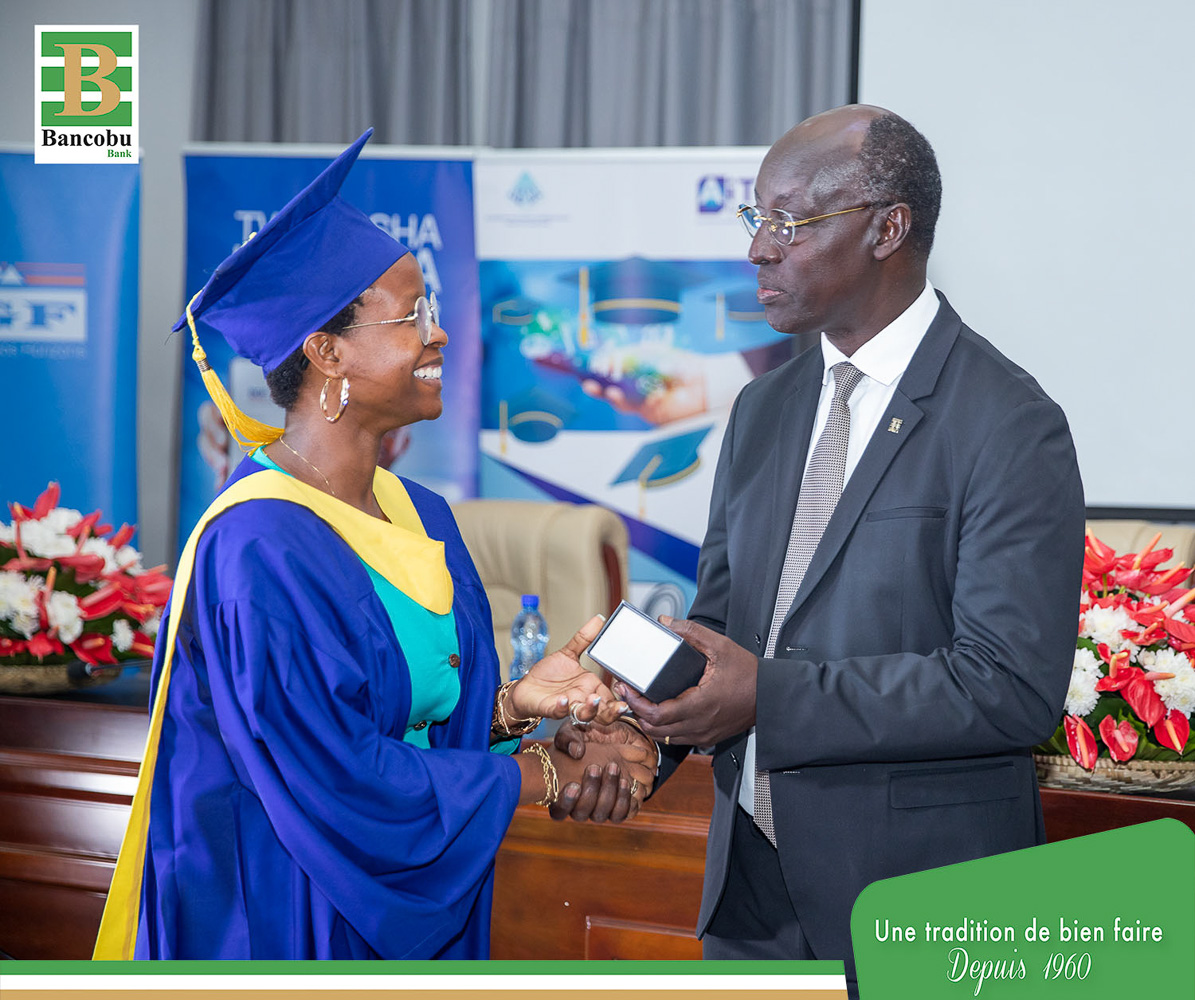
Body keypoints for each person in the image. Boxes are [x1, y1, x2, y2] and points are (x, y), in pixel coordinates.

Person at [558, 105, 1085, 995]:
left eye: (788, 222)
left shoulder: (1007, 422)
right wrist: (634, 735)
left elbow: (1008, 687)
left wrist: (768, 694)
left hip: (921, 902)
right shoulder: (762, 410)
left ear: (888, 227)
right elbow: (724, 631)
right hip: (752, 902)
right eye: (754, 218)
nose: (759, 247)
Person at [93, 129, 655, 961]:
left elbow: (400, 731)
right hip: (288, 908)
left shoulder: (419, 511)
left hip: (392, 905)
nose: (441, 336)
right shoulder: (256, 548)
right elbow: (337, 781)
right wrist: (544, 775)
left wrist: (508, 708)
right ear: (325, 352)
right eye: (412, 316)